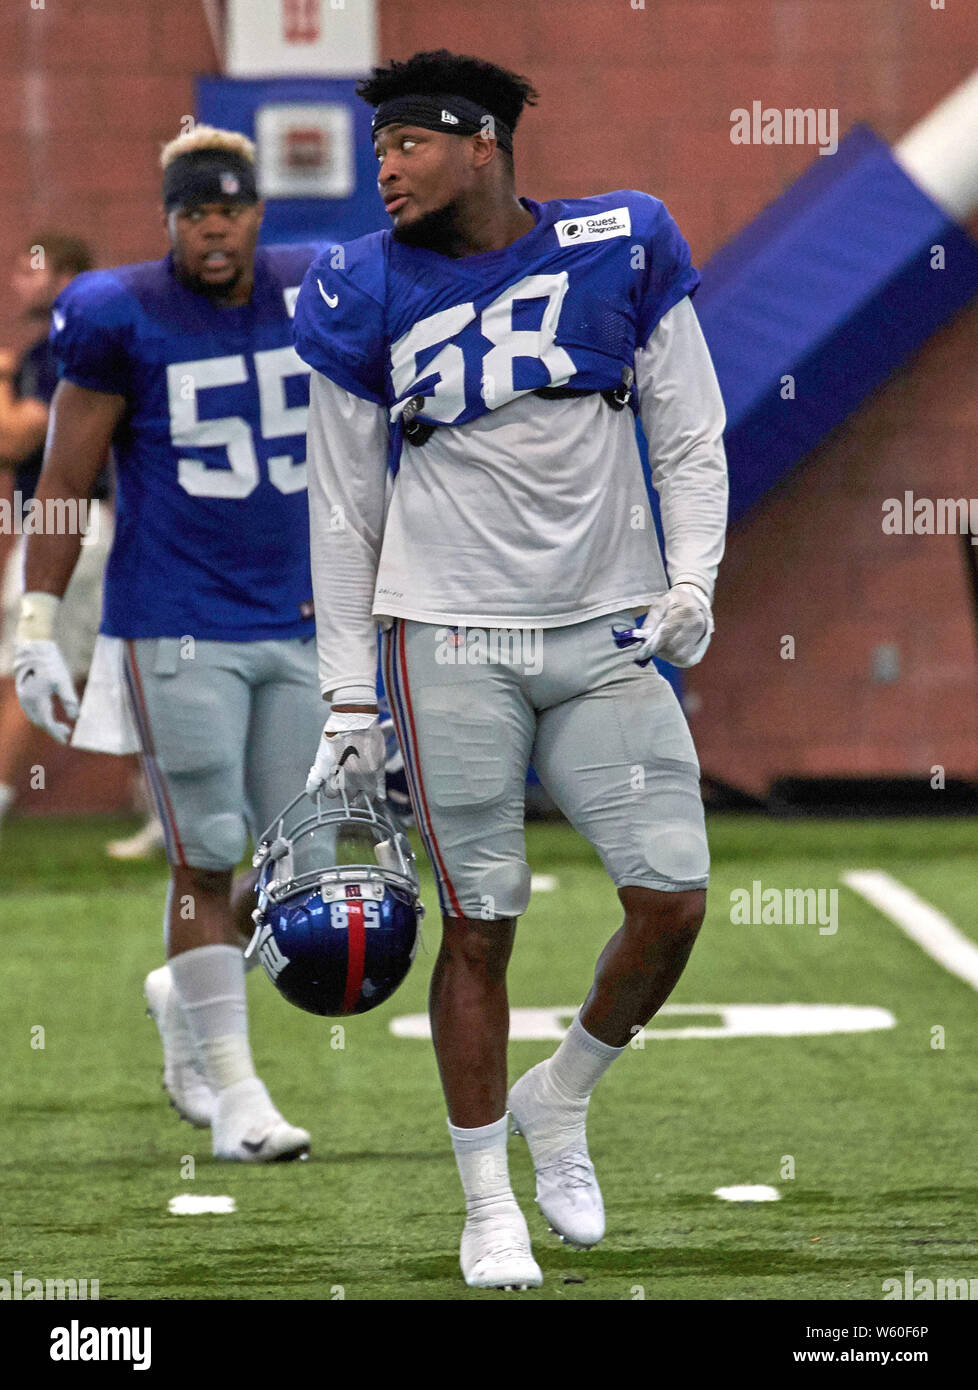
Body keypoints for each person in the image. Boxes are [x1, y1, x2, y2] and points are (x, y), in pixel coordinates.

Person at [294, 49, 728, 1288]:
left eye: (408, 145)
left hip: (604, 631)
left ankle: (564, 1094)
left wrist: (693, 577)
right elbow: (341, 508)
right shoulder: (359, 285)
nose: (384, 168)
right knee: (482, 921)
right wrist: (345, 693)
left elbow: (689, 432)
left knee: (674, 898)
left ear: (482, 143)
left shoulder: (623, 240)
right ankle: (487, 1204)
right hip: (445, 635)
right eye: (377, 150)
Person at [13, 125, 326, 1162]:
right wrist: (34, 622)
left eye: (228, 210)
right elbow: (63, 481)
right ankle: (235, 1093)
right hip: (175, 617)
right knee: (206, 845)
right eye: (194, 214)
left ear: (258, 213)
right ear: (170, 221)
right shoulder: (118, 315)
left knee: (297, 861)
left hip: (298, 613)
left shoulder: (316, 287)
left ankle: (185, 997)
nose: (213, 231)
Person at [0, 233, 110, 834]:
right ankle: (167, 799)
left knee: (32, 666)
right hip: (56, 522)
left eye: (32, 268)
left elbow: (14, 439)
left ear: (66, 274)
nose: (21, 282)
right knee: (115, 667)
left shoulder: (63, 347)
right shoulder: (57, 346)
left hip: (72, 524)